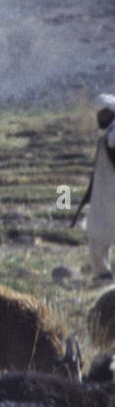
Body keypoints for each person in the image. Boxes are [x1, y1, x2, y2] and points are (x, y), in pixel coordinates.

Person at [73, 94, 115, 280]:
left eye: (105, 114)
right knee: (98, 235)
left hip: (109, 196)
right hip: (105, 195)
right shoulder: (109, 134)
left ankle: (102, 274)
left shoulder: (113, 136)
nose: (101, 118)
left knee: (97, 235)